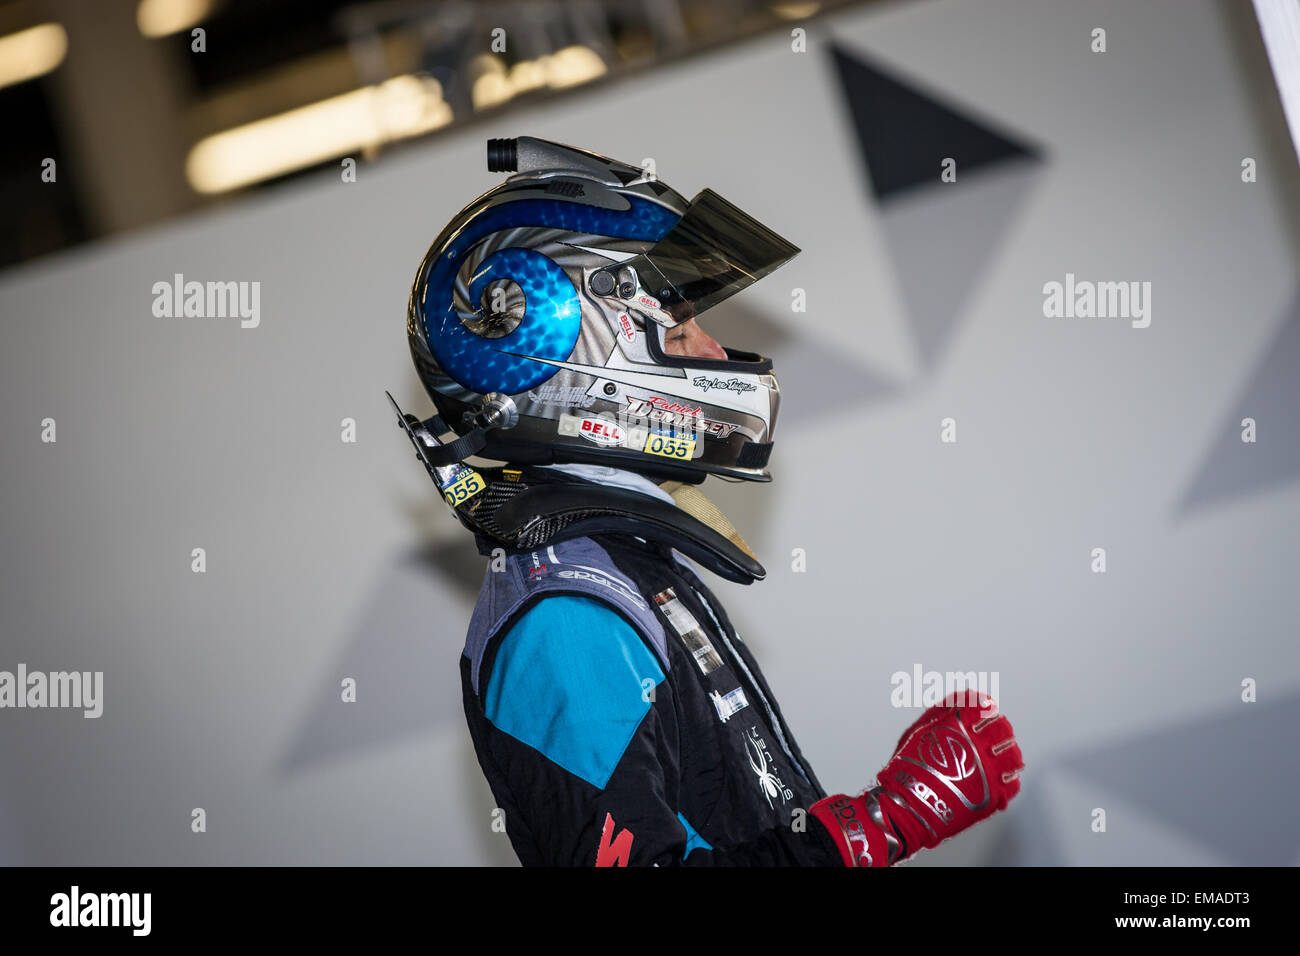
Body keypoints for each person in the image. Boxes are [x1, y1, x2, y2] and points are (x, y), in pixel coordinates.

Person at [393, 137, 1024, 866]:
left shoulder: (620, 565)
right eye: (685, 328)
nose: (719, 356)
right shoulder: (565, 621)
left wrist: (852, 821)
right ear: (577, 354)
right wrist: (876, 826)